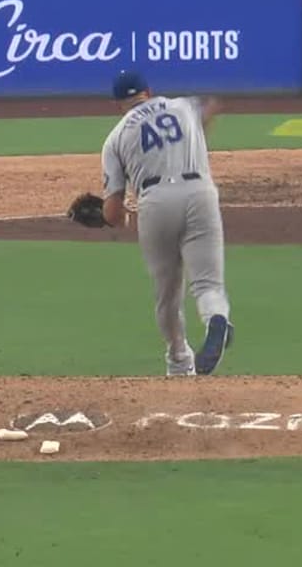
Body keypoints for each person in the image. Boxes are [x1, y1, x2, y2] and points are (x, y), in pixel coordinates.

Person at [91, 69, 233, 377]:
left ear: (118, 103)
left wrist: (113, 217)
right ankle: (216, 319)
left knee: (167, 293)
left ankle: (179, 359)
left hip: (156, 204)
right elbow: (211, 106)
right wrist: (194, 138)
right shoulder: (185, 106)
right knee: (208, 283)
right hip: (200, 194)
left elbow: (113, 213)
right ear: (149, 90)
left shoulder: (115, 138)